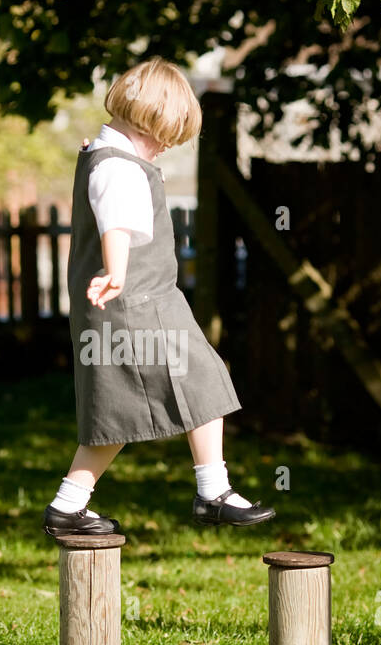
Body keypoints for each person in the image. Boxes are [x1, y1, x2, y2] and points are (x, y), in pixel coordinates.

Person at [42, 57, 276, 537]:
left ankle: (69, 504)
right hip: (136, 302)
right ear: (144, 122)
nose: (164, 148)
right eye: (162, 137)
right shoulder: (119, 168)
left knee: (119, 406)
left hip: (141, 301)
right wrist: (117, 272)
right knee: (202, 380)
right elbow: (117, 228)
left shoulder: (106, 155)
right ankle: (212, 492)